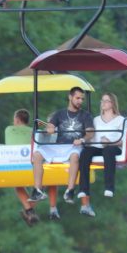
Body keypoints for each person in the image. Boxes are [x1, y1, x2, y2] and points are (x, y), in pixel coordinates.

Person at [30, 87, 96, 220]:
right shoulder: (59, 114)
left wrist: (82, 139)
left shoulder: (86, 115)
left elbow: (90, 133)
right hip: (59, 146)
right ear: (70, 97)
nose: (80, 101)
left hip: (74, 145)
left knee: (75, 156)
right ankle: (37, 190)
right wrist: (50, 129)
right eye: (77, 98)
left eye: (82, 99)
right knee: (37, 154)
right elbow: (50, 126)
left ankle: (70, 190)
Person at [76, 91, 127, 204]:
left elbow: (124, 141)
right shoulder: (96, 119)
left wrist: (110, 142)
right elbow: (92, 137)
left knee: (108, 151)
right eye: (102, 101)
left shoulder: (121, 120)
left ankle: (109, 187)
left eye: (106, 101)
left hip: (113, 147)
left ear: (112, 103)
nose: (103, 103)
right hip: (98, 146)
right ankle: (83, 189)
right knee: (85, 152)